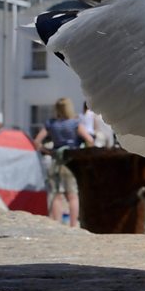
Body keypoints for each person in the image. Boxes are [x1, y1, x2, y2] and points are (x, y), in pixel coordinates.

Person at [32, 97, 94, 227]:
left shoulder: (51, 123)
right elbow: (90, 140)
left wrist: (48, 151)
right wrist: (83, 152)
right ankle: (73, 225)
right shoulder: (75, 123)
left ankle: (57, 224)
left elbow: (36, 142)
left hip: (55, 161)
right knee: (72, 195)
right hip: (71, 162)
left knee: (56, 195)